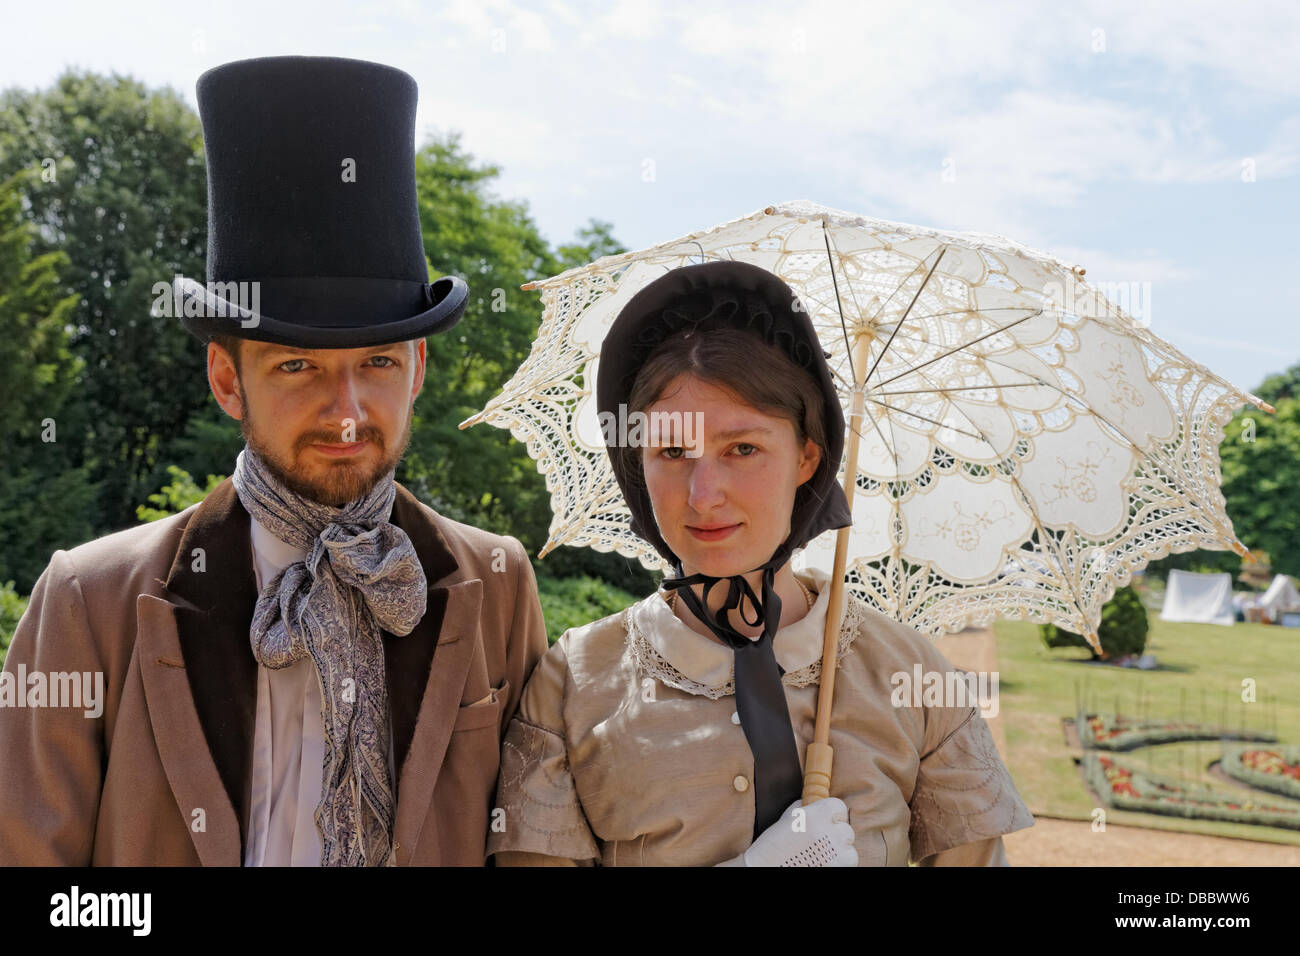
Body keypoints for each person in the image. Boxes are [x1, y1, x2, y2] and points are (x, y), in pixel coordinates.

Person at [0, 56, 548, 866]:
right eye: (298, 366)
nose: (348, 412)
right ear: (229, 378)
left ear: (419, 370)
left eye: (379, 365)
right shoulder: (90, 600)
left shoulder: (496, 585)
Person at [486, 261, 1034, 866]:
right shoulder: (573, 686)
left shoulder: (914, 678)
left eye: (742, 448)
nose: (703, 494)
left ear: (806, 459)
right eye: (671, 451)